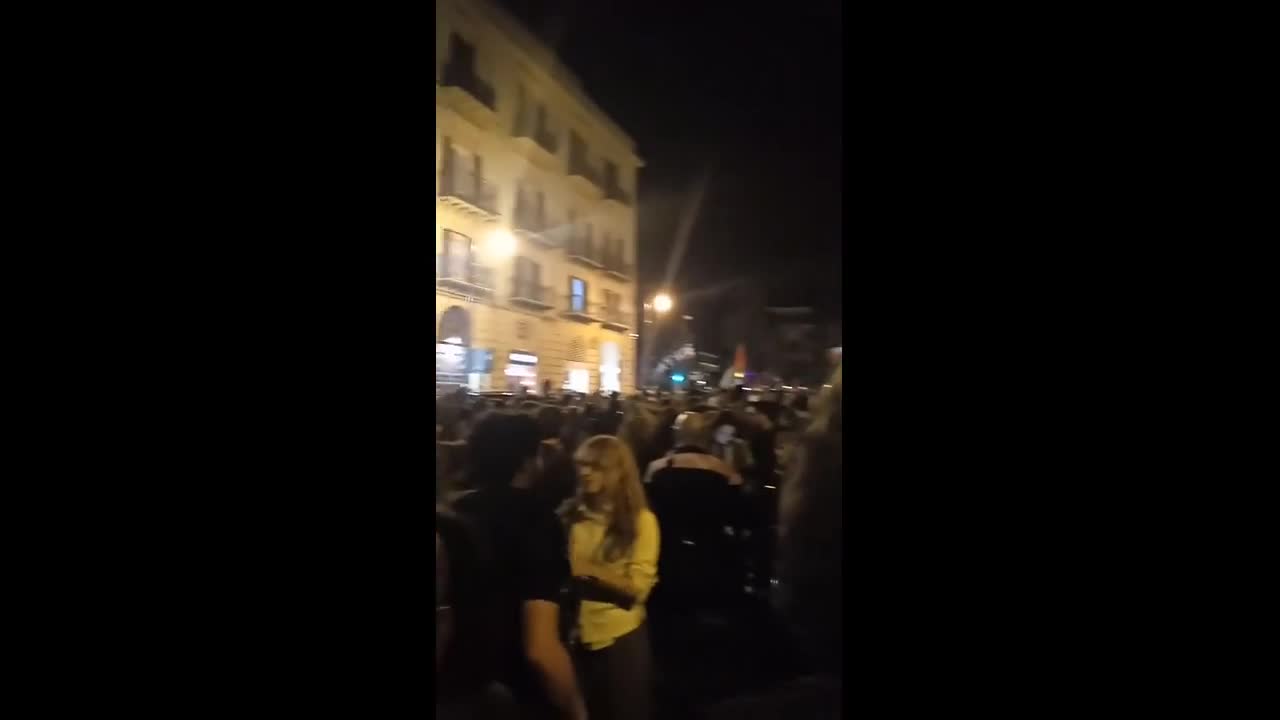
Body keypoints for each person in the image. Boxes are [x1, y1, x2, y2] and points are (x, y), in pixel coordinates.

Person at [452, 413, 588, 720]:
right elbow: (540, 647)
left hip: (461, 685)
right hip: (518, 690)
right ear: (528, 461)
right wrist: (576, 708)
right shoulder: (537, 520)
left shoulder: (455, 510)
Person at [560, 435, 660, 720]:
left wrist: (590, 570)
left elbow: (639, 589)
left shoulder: (642, 522)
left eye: (596, 466)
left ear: (618, 472)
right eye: (581, 465)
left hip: (620, 638)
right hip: (575, 635)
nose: (585, 472)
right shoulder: (572, 515)